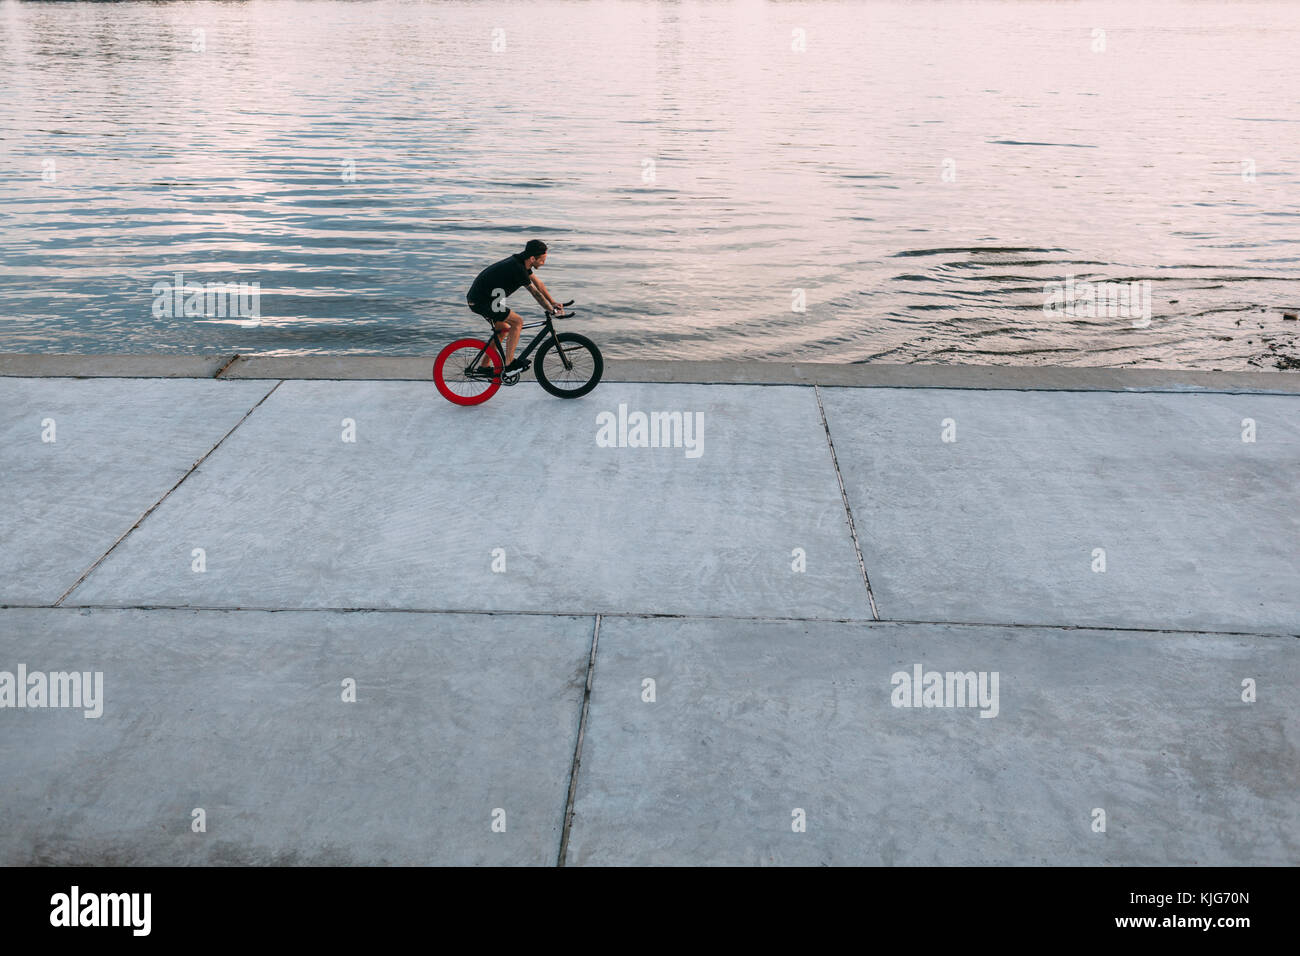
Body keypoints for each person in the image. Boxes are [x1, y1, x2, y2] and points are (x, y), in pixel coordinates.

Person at [465, 239, 566, 372]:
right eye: (542, 259)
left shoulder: (522, 262)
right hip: (481, 300)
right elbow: (535, 293)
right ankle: (509, 364)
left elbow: (538, 284)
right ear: (532, 258)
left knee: (503, 329)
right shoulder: (518, 268)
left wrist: (552, 302)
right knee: (517, 322)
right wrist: (550, 310)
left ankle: (484, 367)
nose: (544, 262)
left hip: (492, 297)